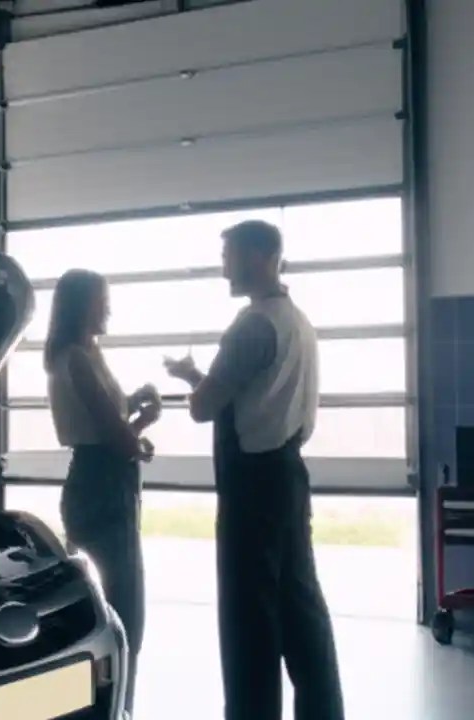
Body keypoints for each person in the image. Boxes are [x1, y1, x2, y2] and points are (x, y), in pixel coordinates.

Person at [165, 221, 344, 720]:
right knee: (300, 609)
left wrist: (193, 386)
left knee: (249, 620)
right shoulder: (296, 322)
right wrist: (195, 375)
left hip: (252, 486)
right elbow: (250, 396)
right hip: (286, 475)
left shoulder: (252, 326)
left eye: (230, 255)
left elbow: (205, 407)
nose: (224, 267)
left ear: (262, 256)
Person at [44, 268, 160, 717]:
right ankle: (118, 709)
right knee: (126, 610)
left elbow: (104, 418)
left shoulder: (79, 354)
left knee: (107, 604)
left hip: (92, 479)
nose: (108, 307)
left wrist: (132, 406)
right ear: (81, 305)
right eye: (101, 300)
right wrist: (143, 425)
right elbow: (117, 438)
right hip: (105, 484)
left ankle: (104, 705)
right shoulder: (78, 358)